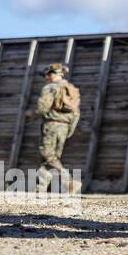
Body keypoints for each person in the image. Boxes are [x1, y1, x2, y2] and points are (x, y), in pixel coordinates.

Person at [29, 64, 80, 194]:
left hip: (51, 125)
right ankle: (39, 189)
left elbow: (43, 108)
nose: (46, 77)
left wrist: (30, 115)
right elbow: (76, 112)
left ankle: (69, 182)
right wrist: (70, 129)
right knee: (51, 158)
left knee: (47, 155)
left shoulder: (50, 88)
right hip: (65, 126)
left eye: (48, 74)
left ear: (53, 73)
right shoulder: (71, 89)